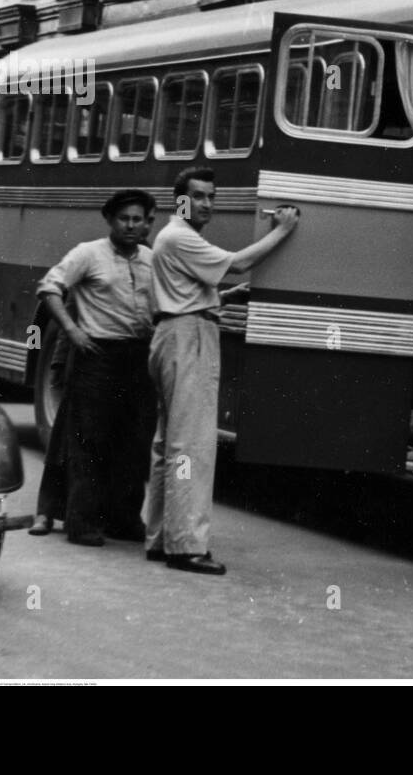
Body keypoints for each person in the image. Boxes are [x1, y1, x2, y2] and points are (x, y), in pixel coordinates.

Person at [145, 167, 298, 574]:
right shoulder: (181, 236)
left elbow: (187, 291)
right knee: (190, 444)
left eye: (212, 196)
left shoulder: (175, 237)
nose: (208, 203)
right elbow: (238, 262)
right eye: (199, 196)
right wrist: (282, 230)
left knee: (168, 443)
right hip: (188, 338)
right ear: (181, 200)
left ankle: (161, 537)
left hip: (172, 335)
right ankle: (186, 546)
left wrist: (222, 297)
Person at [28, 189, 158, 546]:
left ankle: (124, 518)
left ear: (148, 223)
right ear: (110, 220)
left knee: (134, 442)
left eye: (138, 219)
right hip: (98, 357)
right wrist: (71, 329)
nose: (131, 226)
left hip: (138, 358)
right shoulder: (88, 254)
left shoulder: (151, 259)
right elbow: (49, 288)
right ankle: (82, 522)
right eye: (124, 219)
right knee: (90, 441)